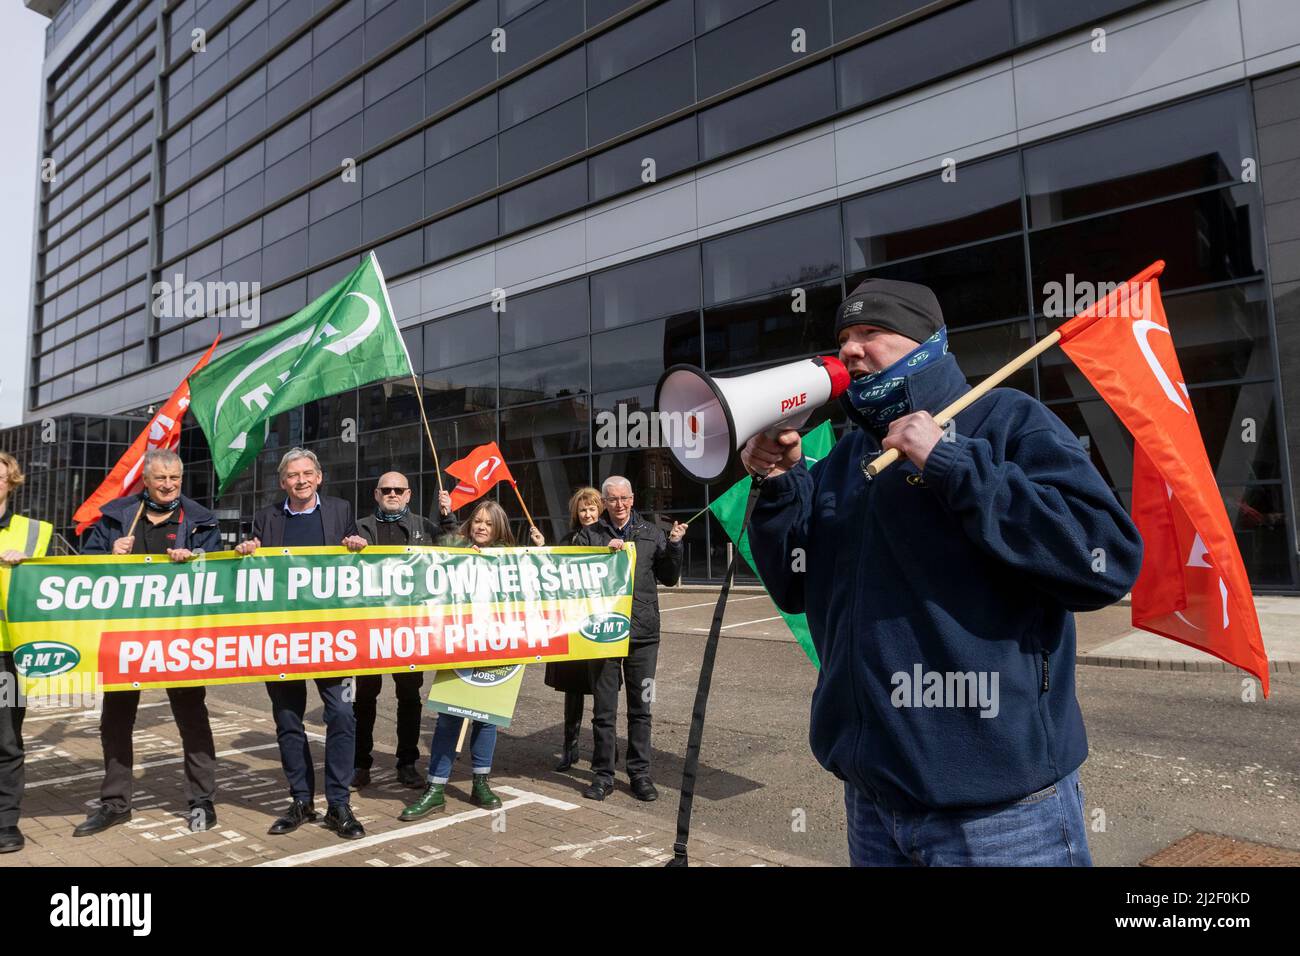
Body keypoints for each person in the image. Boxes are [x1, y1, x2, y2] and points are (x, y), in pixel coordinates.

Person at [741, 277, 1143, 866]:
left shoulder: (1005, 420)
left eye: (871, 332)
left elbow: (1104, 557)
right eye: (843, 336)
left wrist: (953, 464)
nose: (850, 349)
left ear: (926, 342)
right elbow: (796, 586)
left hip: (1003, 818)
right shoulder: (849, 456)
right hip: (874, 807)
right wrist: (779, 487)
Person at [74, 448, 221, 837]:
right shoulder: (116, 517)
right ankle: (115, 804)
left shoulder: (201, 519)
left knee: (192, 717)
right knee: (116, 719)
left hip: (179, 635)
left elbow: (220, 571)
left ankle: (201, 801)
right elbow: (84, 570)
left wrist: (197, 558)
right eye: (161, 479)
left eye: (175, 478)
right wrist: (108, 553)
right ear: (146, 480)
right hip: (126, 634)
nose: (169, 485)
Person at [236, 447, 367, 840]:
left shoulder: (342, 511)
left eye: (308, 473)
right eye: (293, 475)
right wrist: (245, 552)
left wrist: (359, 546)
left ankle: (339, 804)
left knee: (342, 716)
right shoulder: (266, 517)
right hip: (282, 637)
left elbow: (363, 556)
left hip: (333, 636)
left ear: (320, 477)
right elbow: (250, 572)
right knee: (288, 720)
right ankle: (301, 800)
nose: (301, 480)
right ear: (283, 482)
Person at [400, 500, 520, 819]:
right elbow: (442, 541)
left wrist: (540, 548)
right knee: (449, 717)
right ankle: (435, 789)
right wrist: (447, 515)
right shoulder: (457, 549)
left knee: (487, 719)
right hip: (459, 645)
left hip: (498, 647)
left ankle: (481, 783)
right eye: (477, 521)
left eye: (489, 523)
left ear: (499, 529)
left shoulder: (513, 559)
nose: (481, 526)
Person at [572, 477, 685, 802]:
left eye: (624, 498)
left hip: (644, 636)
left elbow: (669, 577)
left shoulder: (651, 533)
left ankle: (640, 774)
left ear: (632, 499)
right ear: (604, 501)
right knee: (604, 711)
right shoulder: (590, 536)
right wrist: (600, 557)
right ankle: (603, 775)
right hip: (604, 634)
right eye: (612, 499)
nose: (618, 504)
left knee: (641, 709)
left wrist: (675, 544)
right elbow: (574, 576)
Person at [350, 476, 457, 789]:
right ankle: (361, 764)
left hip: (409, 627)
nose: (392, 494)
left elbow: (456, 549)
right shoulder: (359, 527)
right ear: (376, 494)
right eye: (386, 490)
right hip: (369, 626)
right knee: (365, 699)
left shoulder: (425, 526)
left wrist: (448, 515)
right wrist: (350, 547)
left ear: (408, 494)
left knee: (409, 698)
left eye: (398, 490)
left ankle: (407, 763)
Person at [0, 453, 53, 854]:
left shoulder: (36, 532)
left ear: (11, 483)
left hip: (10, 653)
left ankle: (5, 824)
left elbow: (62, 583)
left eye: (0, 478)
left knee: (6, 741)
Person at [542, 487, 605, 772]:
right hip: (573, 623)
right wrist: (543, 549)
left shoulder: (610, 539)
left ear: (600, 510)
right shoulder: (569, 539)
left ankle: (604, 751)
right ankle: (571, 748)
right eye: (583, 509)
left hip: (602, 624)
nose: (587, 513)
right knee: (574, 690)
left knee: (603, 689)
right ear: (576, 514)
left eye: (592, 508)